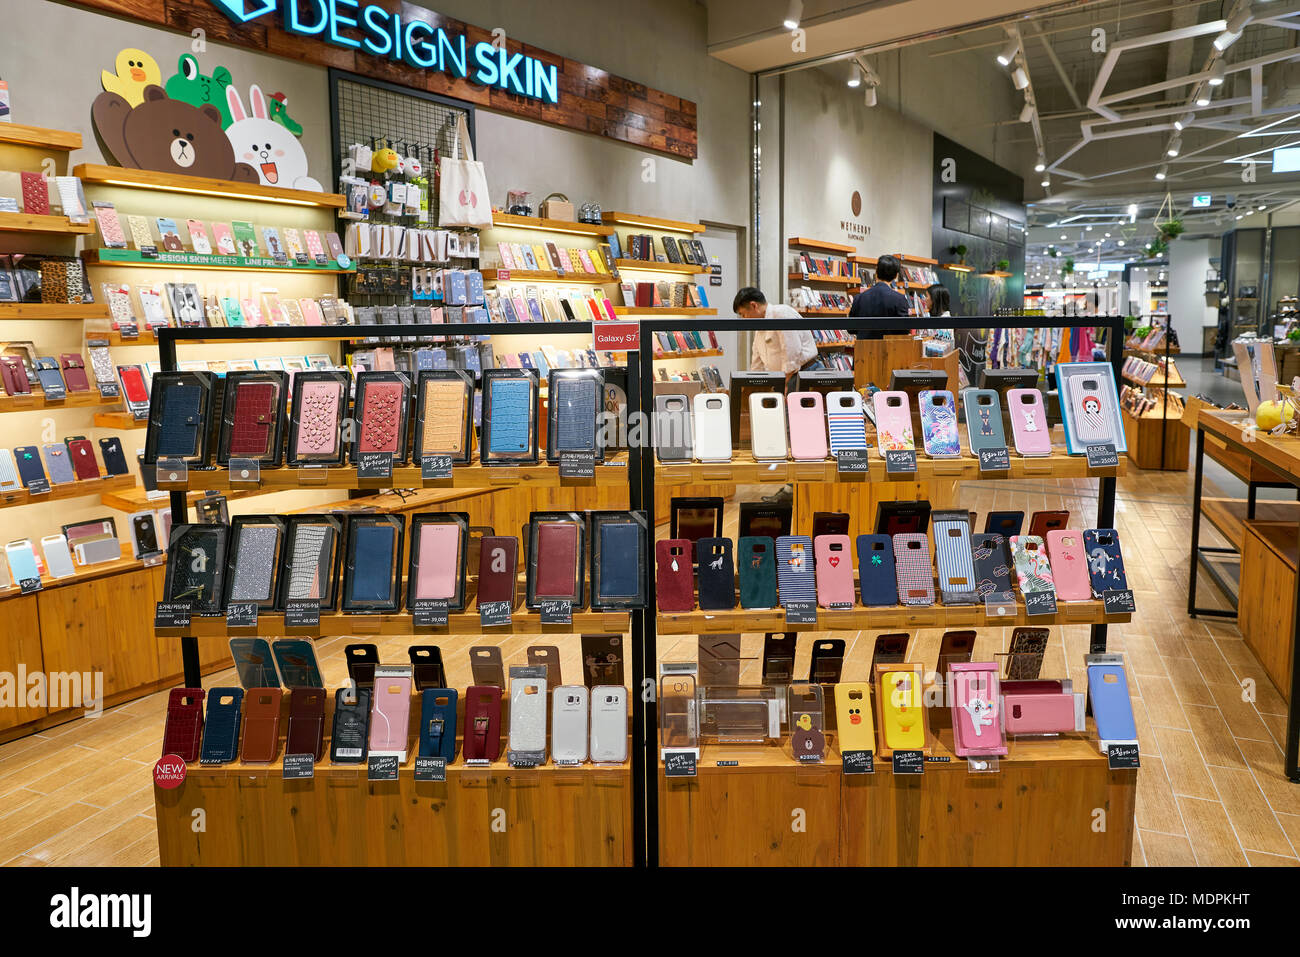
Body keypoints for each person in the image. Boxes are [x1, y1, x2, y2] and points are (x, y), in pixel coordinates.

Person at [733, 287, 817, 384]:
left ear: (754, 306)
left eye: (743, 315)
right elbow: (757, 364)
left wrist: (784, 385)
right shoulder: (759, 327)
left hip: (803, 374)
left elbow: (792, 353)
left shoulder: (782, 314)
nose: (744, 319)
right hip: (784, 378)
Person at [849, 254, 911, 339]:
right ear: (896, 276)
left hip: (864, 349)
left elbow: (851, 329)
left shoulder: (859, 298)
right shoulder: (899, 299)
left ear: (876, 271)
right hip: (890, 348)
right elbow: (904, 330)